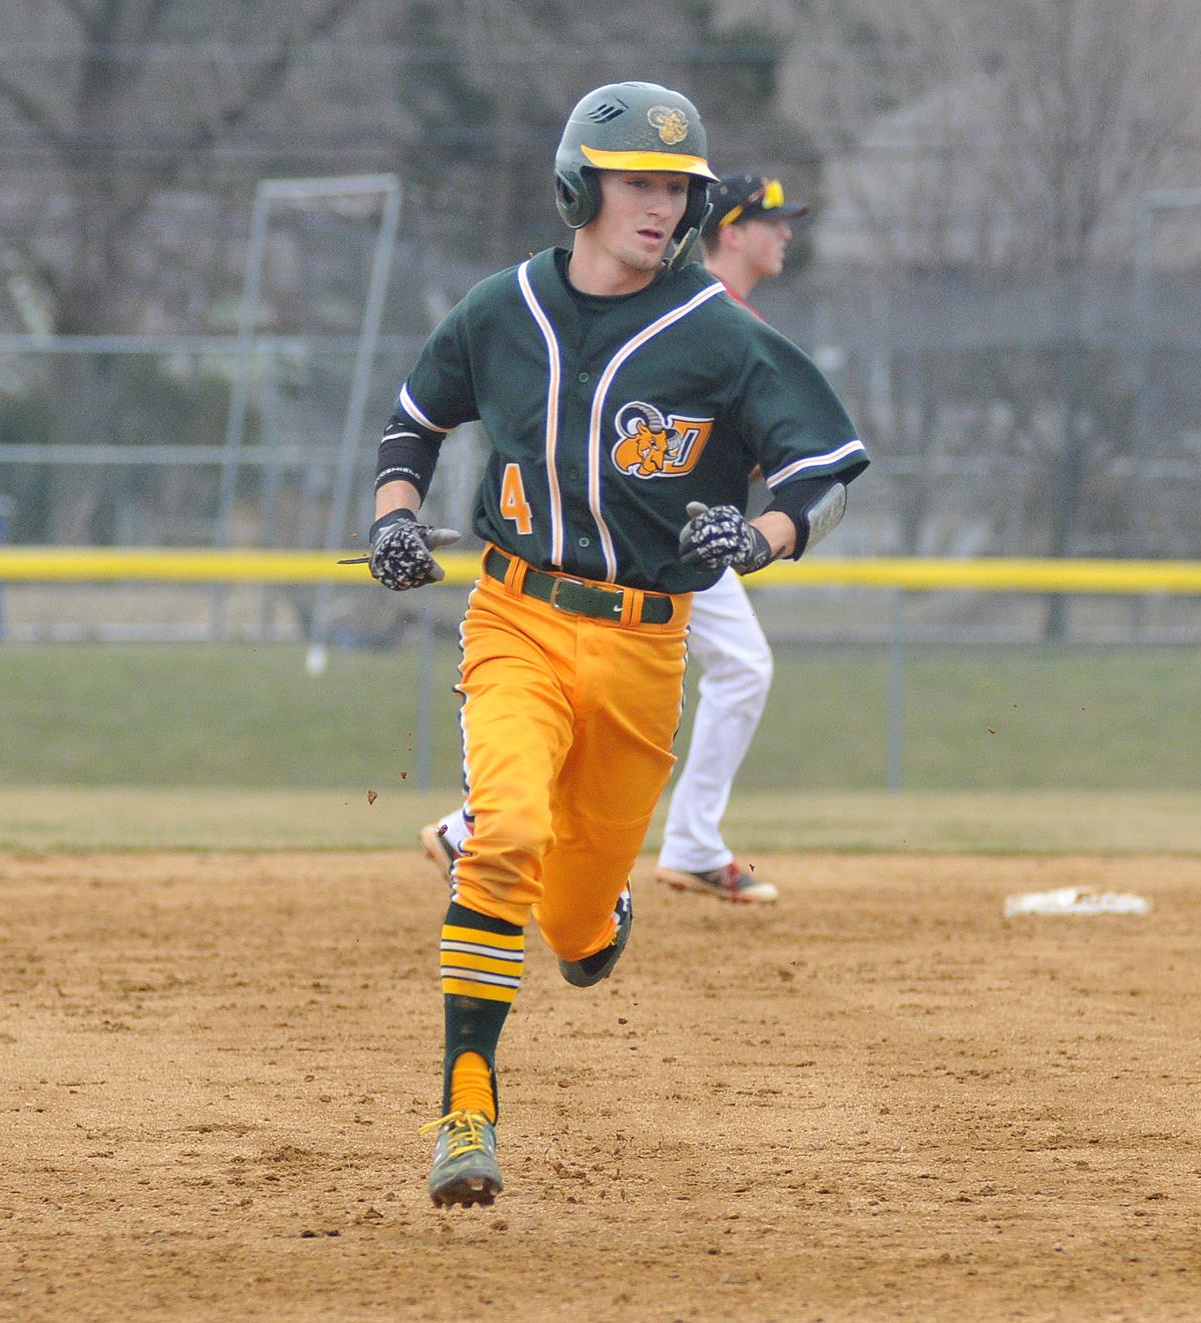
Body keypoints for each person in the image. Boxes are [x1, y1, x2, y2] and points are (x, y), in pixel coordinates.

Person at [362, 81, 868, 1209]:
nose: (661, 206)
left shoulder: (719, 334)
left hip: (645, 648)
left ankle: (596, 919)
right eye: (637, 182)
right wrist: (396, 514)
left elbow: (827, 472)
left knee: (579, 928)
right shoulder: (502, 310)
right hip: (515, 619)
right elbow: (413, 421)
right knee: (504, 836)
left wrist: (765, 532)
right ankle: (465, 1109)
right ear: (578, 186)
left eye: (678, 189)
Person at [416, 170, 812, 906]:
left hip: (681, 538)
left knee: (697, 676)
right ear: (731, 229)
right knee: (719, 669)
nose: (786, 232)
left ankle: (488, 826)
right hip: (646, 546)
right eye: (772, 219)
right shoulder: (693, 309)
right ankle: (504, 828)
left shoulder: (717, 317)